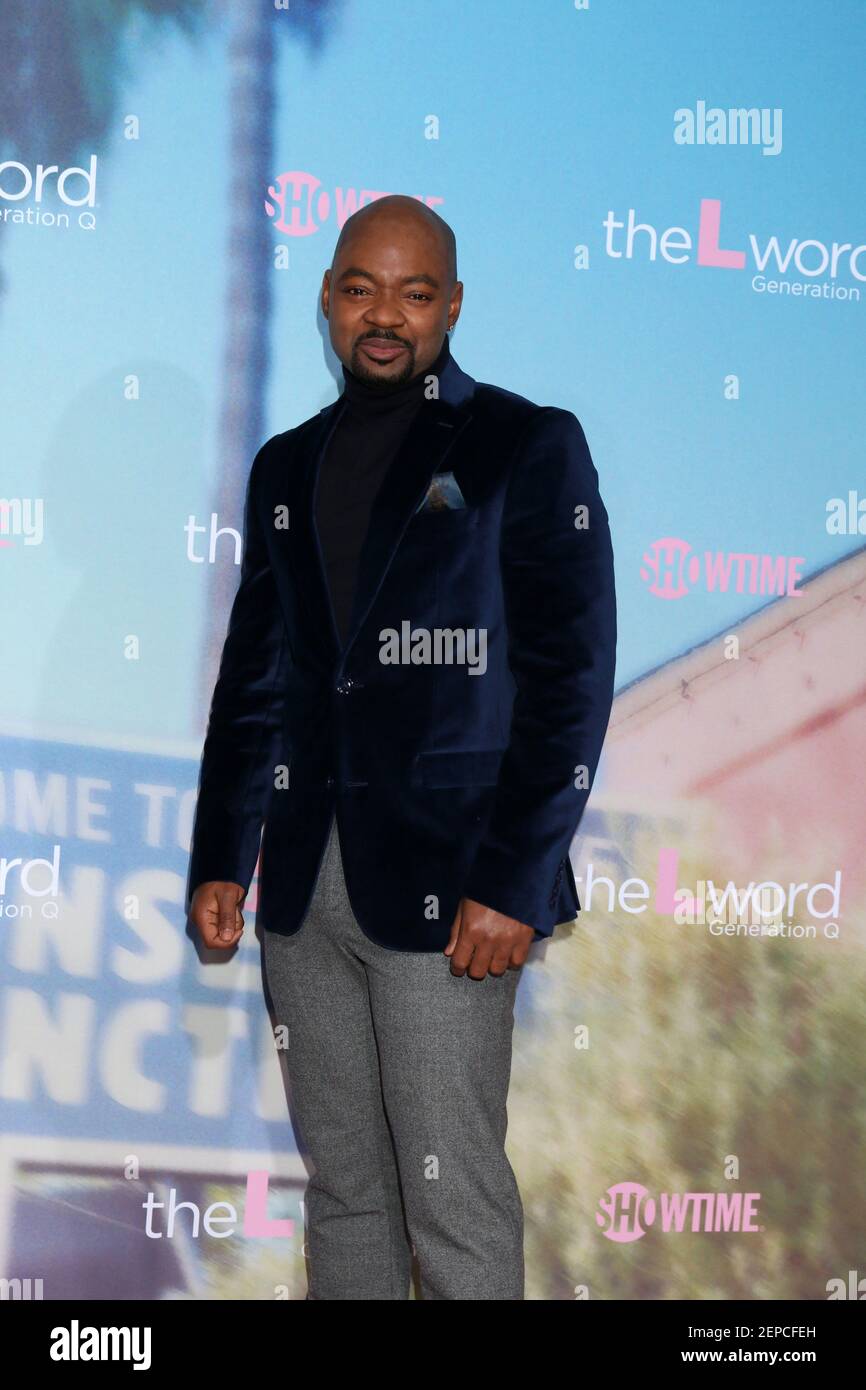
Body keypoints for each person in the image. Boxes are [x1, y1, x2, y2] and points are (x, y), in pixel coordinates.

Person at [187, 194, 617, 1300]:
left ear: (452, 306)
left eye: (414, 293)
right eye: (360, 288)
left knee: (454, 1199)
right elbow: (258, 676)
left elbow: (568, 683)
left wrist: (512, 880)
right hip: (302, 897)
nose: (385, 315)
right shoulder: (285, 467)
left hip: (455, 894)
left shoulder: (524, 442)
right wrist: (220, 857)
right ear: (327, 299)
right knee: (344, 1191)